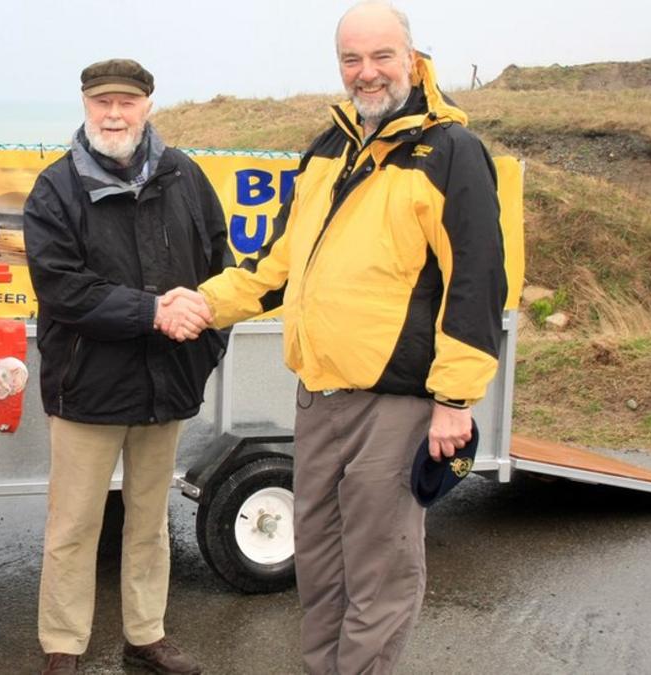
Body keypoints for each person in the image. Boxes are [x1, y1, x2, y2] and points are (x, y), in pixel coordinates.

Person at [161, 2, 507, 673]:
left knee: (379, 571)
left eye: (381, 56)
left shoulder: (450, 152)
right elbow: (280, 267)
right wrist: (203, 301)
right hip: (319, 399)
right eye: (352, 59)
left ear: (410, 55)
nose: (367, 72)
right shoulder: (328, 148)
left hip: (398, 405)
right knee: (318, 564)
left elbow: (477, 283)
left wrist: (455, 402)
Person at [22, 58, 233, 675]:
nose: (114, 115)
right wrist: (154, 312)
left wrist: (203, 348)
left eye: (127, 102)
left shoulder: (186, 177)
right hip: (87, 388)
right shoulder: (56, 188)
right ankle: (63, 647)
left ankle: (146, 636)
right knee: (73, 528)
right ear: (85, 106)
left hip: (165, 384)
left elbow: (219, 269)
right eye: (102, 103)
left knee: (150, 523)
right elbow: (63, 289)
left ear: (148, 106)